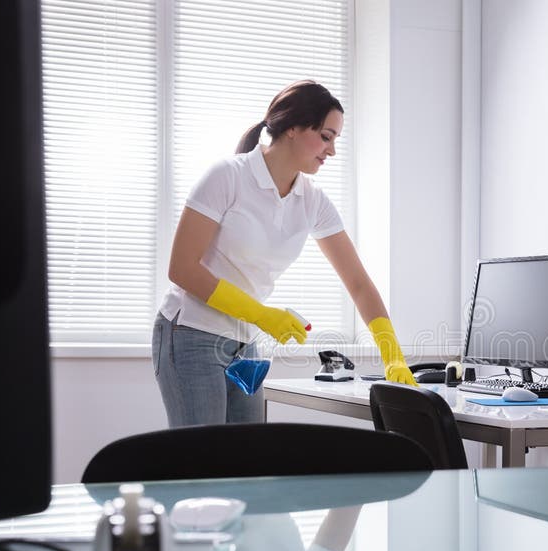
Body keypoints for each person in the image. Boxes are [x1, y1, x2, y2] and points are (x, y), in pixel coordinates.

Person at [153, 79, 416, 427]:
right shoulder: (228, 176)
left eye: (336, 139)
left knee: (249, 458)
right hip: (191, 334)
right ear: (293, 127)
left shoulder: (312, 200)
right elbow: (182, 269)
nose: (332, 151)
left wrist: (392, 355)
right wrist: (261, 315)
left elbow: (358, 283)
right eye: (326, 136)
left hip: (245, 346)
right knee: (202, 457)